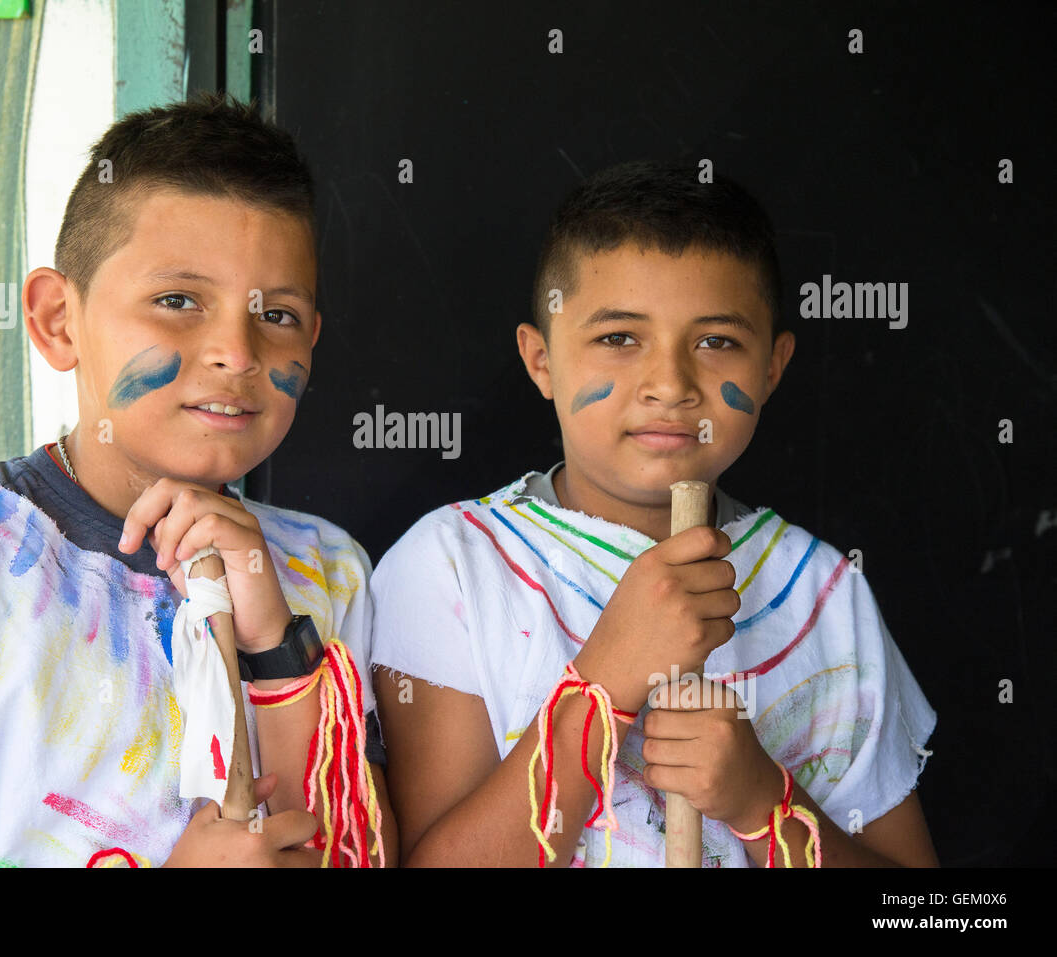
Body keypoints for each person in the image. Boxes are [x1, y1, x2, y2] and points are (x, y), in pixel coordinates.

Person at [0, 93, 393, 868]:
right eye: (178, 301)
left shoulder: (330, 573)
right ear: (59, 320)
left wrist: (273, 646)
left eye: (278, 315)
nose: (237, 349)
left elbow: (359, 851)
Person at [369, 160, 936, 867]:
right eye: (618, 338)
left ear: (773, 367)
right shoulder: (452, 565)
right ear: (541, 360)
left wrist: (764, 801)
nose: (670, 384)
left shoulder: (825, 591)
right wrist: (606, 678)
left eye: (717, 341)